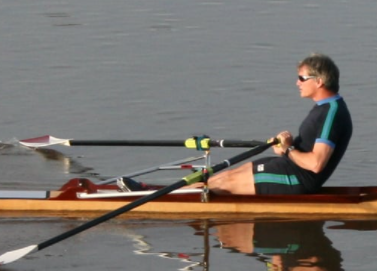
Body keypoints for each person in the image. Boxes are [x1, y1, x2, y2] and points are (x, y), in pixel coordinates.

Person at [119, 53, 353, 195]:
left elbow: (316, 164)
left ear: (319, 81)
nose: (297, 83)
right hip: (289, 170)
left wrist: (289, 148)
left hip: (298, 180)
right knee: (223, 176)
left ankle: (155, 196)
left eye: (302, 78)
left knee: (226, 182)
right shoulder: (327, 107)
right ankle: (158, 191)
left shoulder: (332, 112)